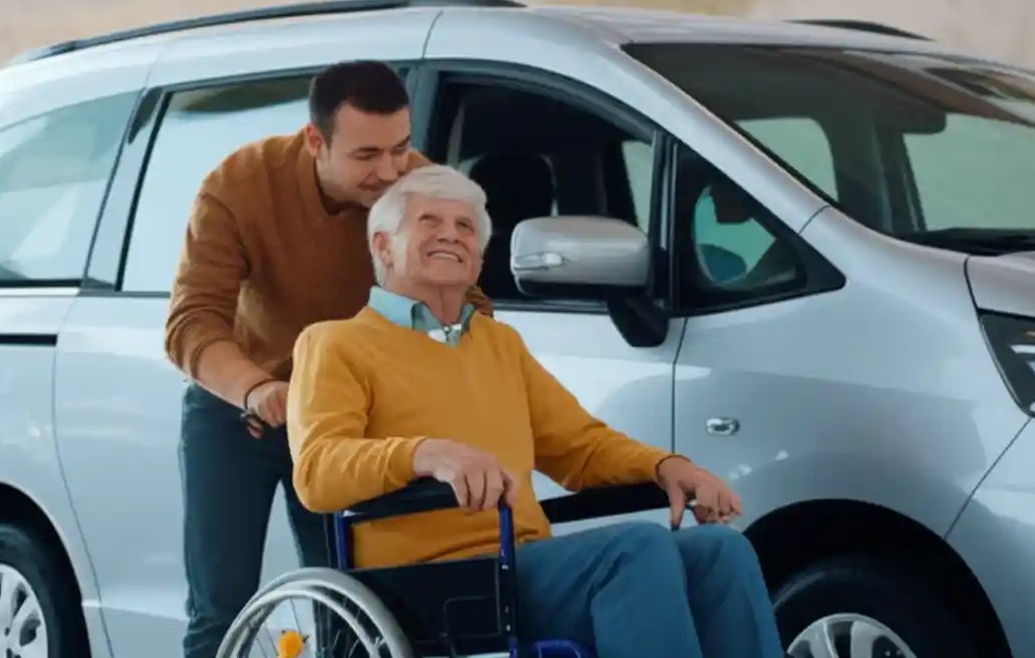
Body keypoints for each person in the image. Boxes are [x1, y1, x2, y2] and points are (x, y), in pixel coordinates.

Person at [285, 165, 784, 658]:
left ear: (479, 255)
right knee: (635, 550)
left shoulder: (498, 342)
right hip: (430, 578)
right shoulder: (336, 344)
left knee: (721, 551)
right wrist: (425, 454)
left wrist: (665, 466)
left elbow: (579, 448)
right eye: (429, 222)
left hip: (520, 565)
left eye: (465, 227)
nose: (450, 236)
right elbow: (317, 471)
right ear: (382, 246)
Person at [163, 61, 494, 658]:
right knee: (220, 605)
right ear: (315, 140)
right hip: (240, 407)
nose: (389, 172)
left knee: (354, 602)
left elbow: (468, 311)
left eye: (400, 148)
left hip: (349, 419)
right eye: (367, 155)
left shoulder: (419, 191)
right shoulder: (238, 185)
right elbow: (191, 323)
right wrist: (259, 389)